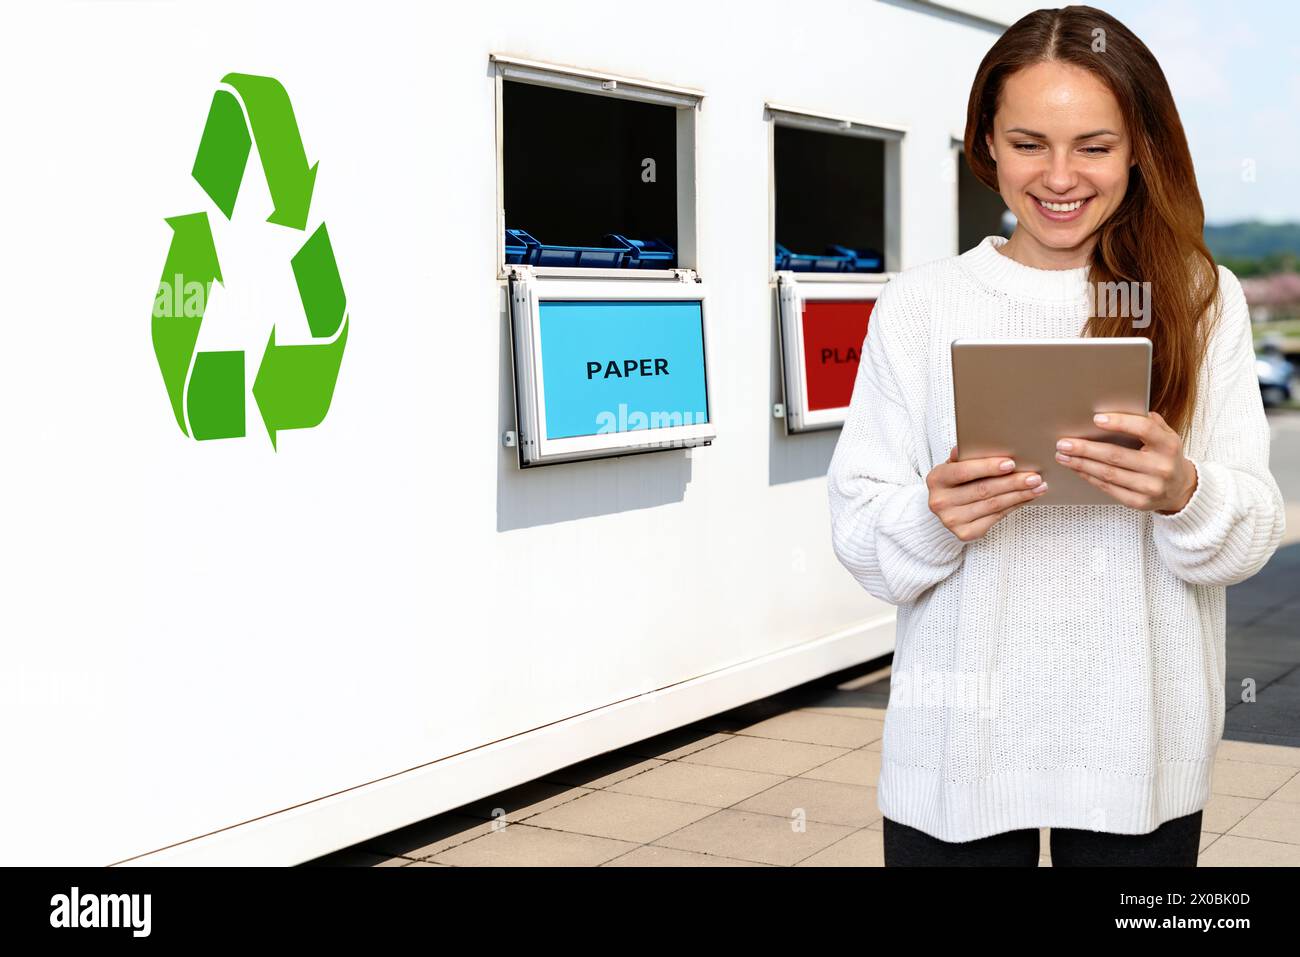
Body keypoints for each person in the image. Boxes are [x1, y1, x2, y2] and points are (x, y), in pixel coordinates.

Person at [826, 5, 1286, 867]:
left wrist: (1184, 493)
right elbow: (859, 536)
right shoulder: (920, 305)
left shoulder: (1197, 294)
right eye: (1030, 142)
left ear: (1140, 148)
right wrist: (935, 515)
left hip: (1139, 755)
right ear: (986, 145)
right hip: (955, 759)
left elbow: (1254, 529)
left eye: (1095, 146)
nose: (1061, 176)